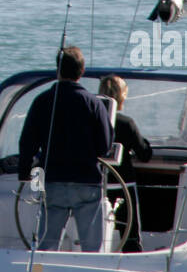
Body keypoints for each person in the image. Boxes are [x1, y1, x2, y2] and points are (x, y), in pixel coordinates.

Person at [17, 45, 113, 252]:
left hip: (52, 181)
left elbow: (27, 144)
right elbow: (104, 147)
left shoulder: (42, 101)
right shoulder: (94, 104)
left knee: (47, 244)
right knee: (91, 248)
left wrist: (24, 173)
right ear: (82, 72)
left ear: (57, 70)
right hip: (87, 182)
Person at [98, 75, 152, 252]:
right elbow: (144, 154)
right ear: (122, 97)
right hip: (124, 187)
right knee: (131, 237)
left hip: (98, 186)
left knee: (96, 236)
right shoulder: (126, 124)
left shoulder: (91, 122)